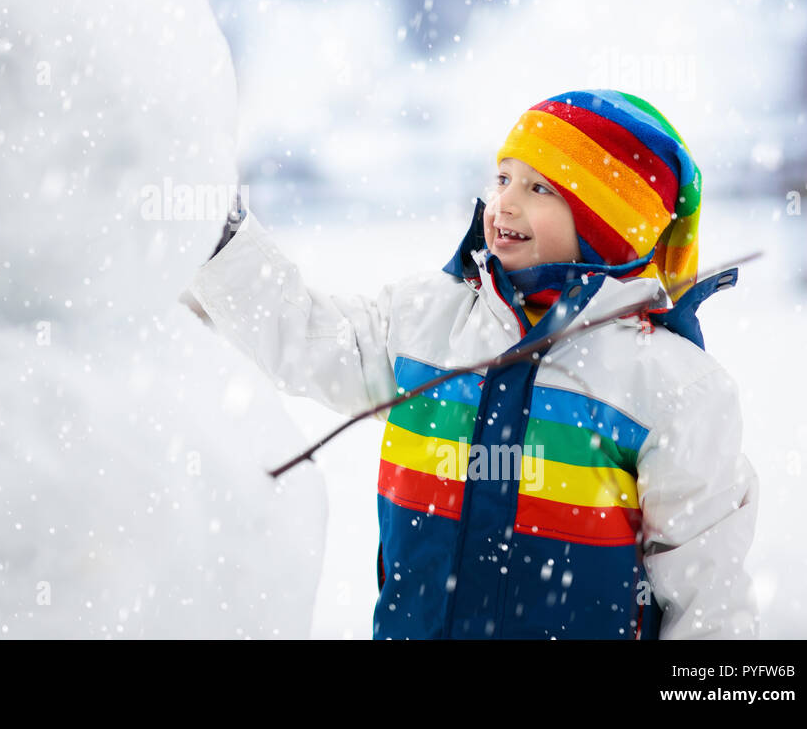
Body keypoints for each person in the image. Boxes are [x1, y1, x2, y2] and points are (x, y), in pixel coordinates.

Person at [185, 88, 760, 639]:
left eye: (541, 189)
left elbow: (707, 593)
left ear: (606, 226)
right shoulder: (425, 323)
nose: (504, 201)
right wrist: (218, 233)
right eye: (504, 177)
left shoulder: (669, 384)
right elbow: (307, 337)